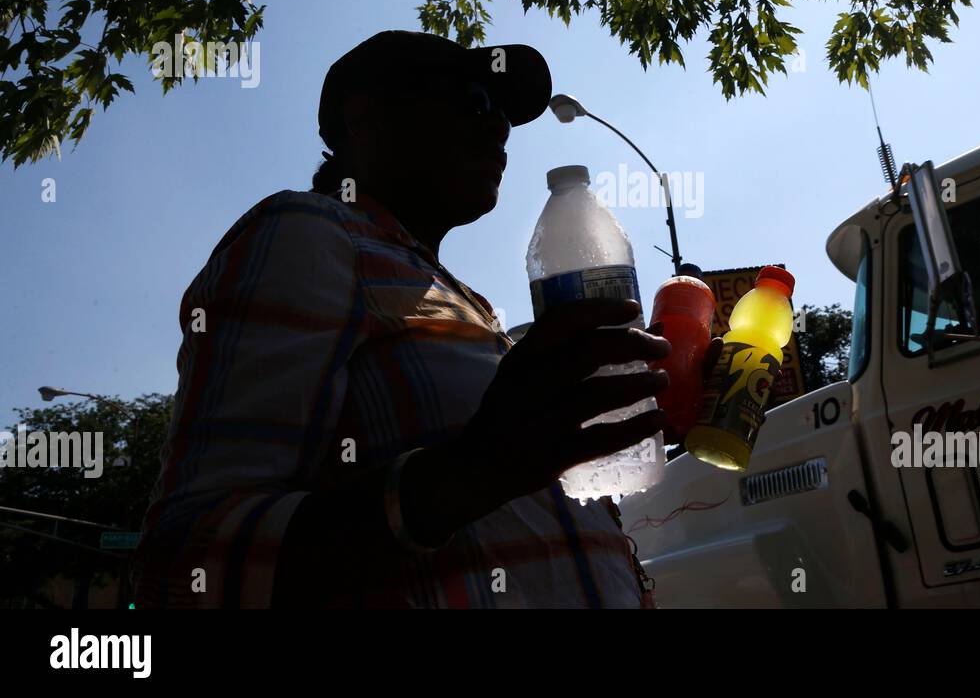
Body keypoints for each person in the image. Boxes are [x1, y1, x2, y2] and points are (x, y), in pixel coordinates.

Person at [134, 30, 699, 608]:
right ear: (365, 118)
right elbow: (184, 566)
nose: (500, 126)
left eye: (502, 111)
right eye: (474, 102)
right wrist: (469, 472)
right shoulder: (307, 233)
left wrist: (655, 405)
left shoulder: (467, 303)